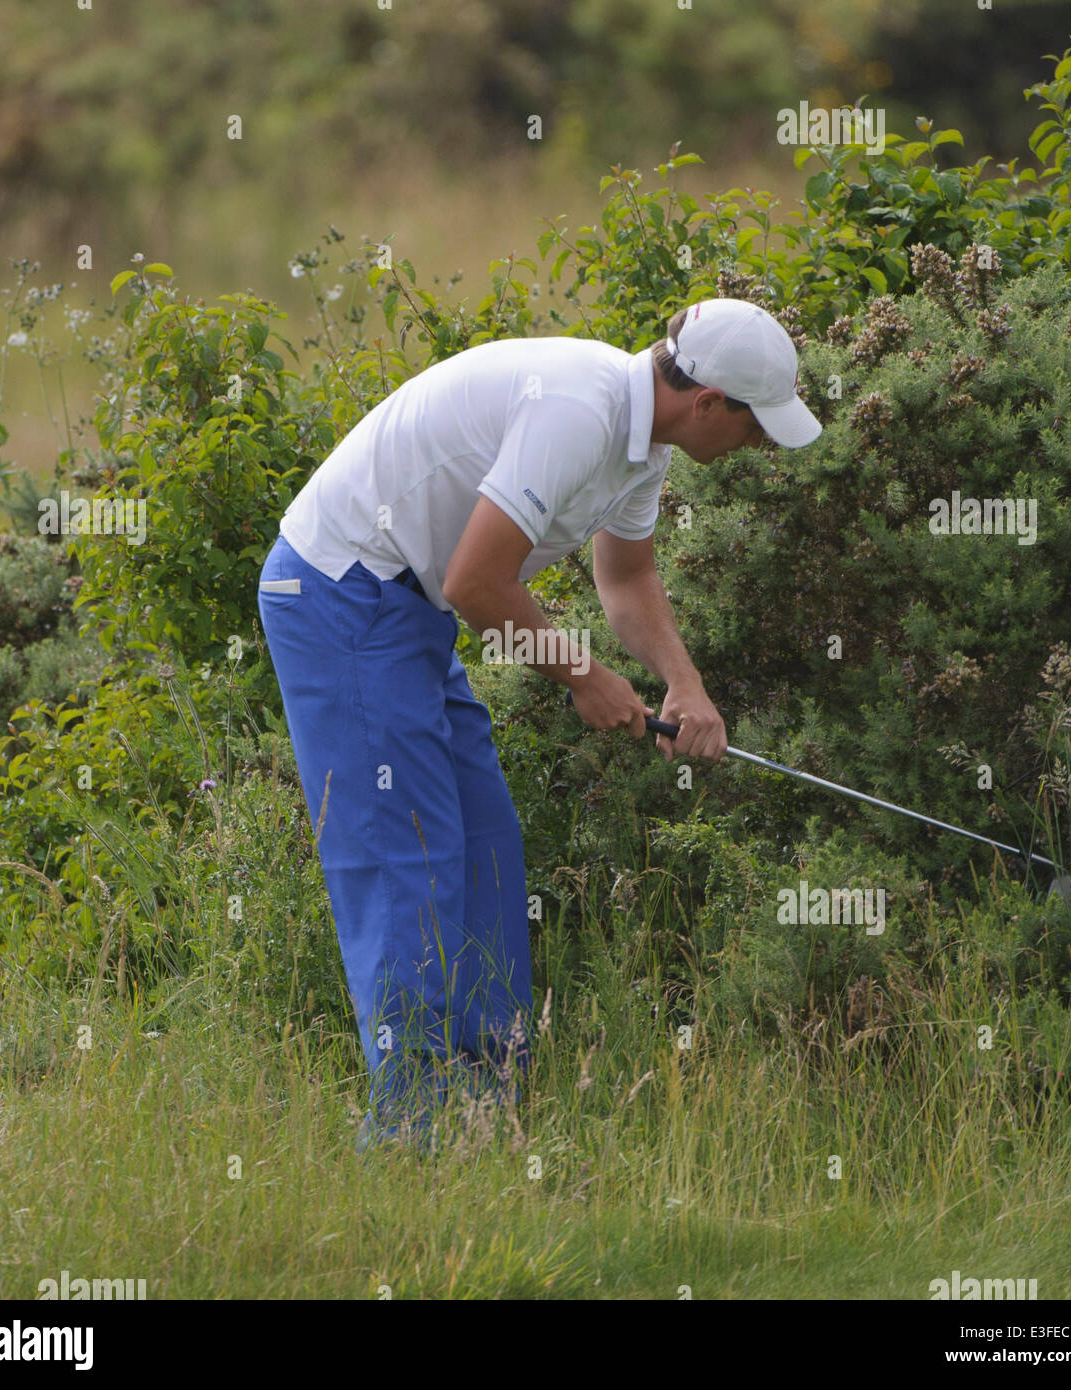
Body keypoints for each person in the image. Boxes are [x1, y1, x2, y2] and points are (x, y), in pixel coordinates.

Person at [256, 297, 822, 1152]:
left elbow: (626, 580)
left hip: (406, 611)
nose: (758, 448)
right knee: (408, 856)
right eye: (753, 430)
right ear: (707, 402)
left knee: (484, 843)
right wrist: (586, 679)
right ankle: (417, 1132)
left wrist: (685, 685)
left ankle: (489, 1107)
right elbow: (477, 583)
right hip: (339, 592)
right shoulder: (578, 410)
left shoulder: (643, 446)